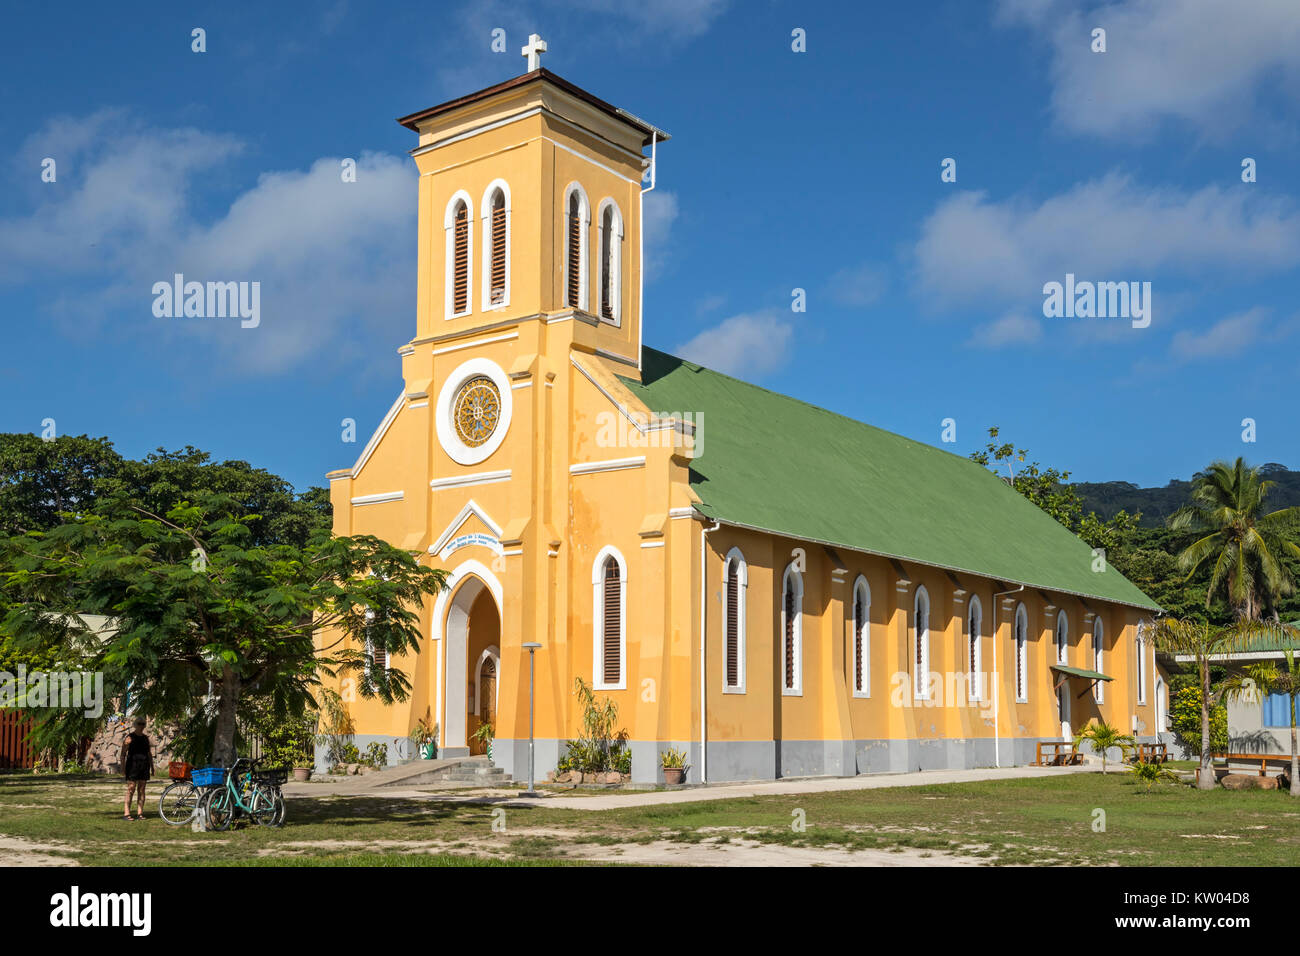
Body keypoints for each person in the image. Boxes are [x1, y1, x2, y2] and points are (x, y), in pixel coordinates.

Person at [120, 717, 153, 820]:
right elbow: (122, 754)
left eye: (143, 724)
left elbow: (149, 754)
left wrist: (152, 767)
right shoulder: (129, 738)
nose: (141, 726)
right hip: (132, 765)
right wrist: (123, 768)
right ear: (135, 725)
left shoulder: (145, 738)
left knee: (142, 789)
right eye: (139, 723)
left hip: (144, 765)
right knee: (131, 788)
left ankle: (140, 813)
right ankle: (127, 814)